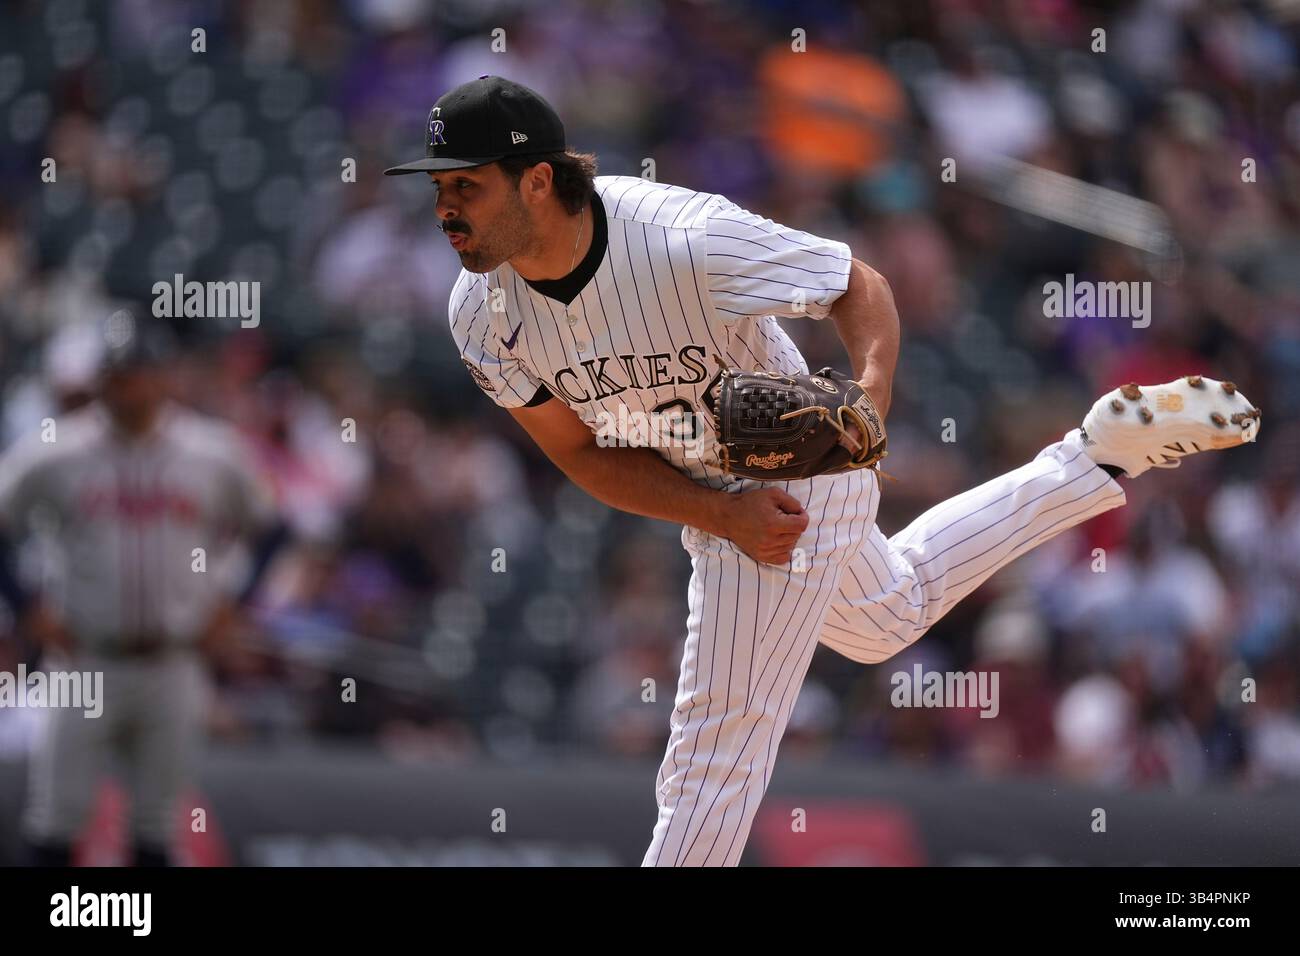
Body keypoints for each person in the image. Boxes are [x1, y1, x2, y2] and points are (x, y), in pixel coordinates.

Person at [384, 76, 1261, 866]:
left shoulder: (682, 239)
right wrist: (718, 515)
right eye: (438, 189)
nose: (445, 208)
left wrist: (868, 402)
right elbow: (579, 451)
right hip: (716, 489)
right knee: (891, 615)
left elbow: (856, 285)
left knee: (718, 744)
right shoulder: (481, 314)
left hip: (799, 465)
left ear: (538, 180)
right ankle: (1093, 458)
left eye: (466, 186)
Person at [0, 312, 285, 866]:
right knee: (55, 819)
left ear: (163, 376)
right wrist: (26, 606)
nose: (128, 387)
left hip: (172, 660)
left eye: (139, 374)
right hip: (85, 658)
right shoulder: (58, 448)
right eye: (118, 375)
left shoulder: (210, 449)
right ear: (101, 379)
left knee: (158, 826)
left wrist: (233, 604)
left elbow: (272, 526)